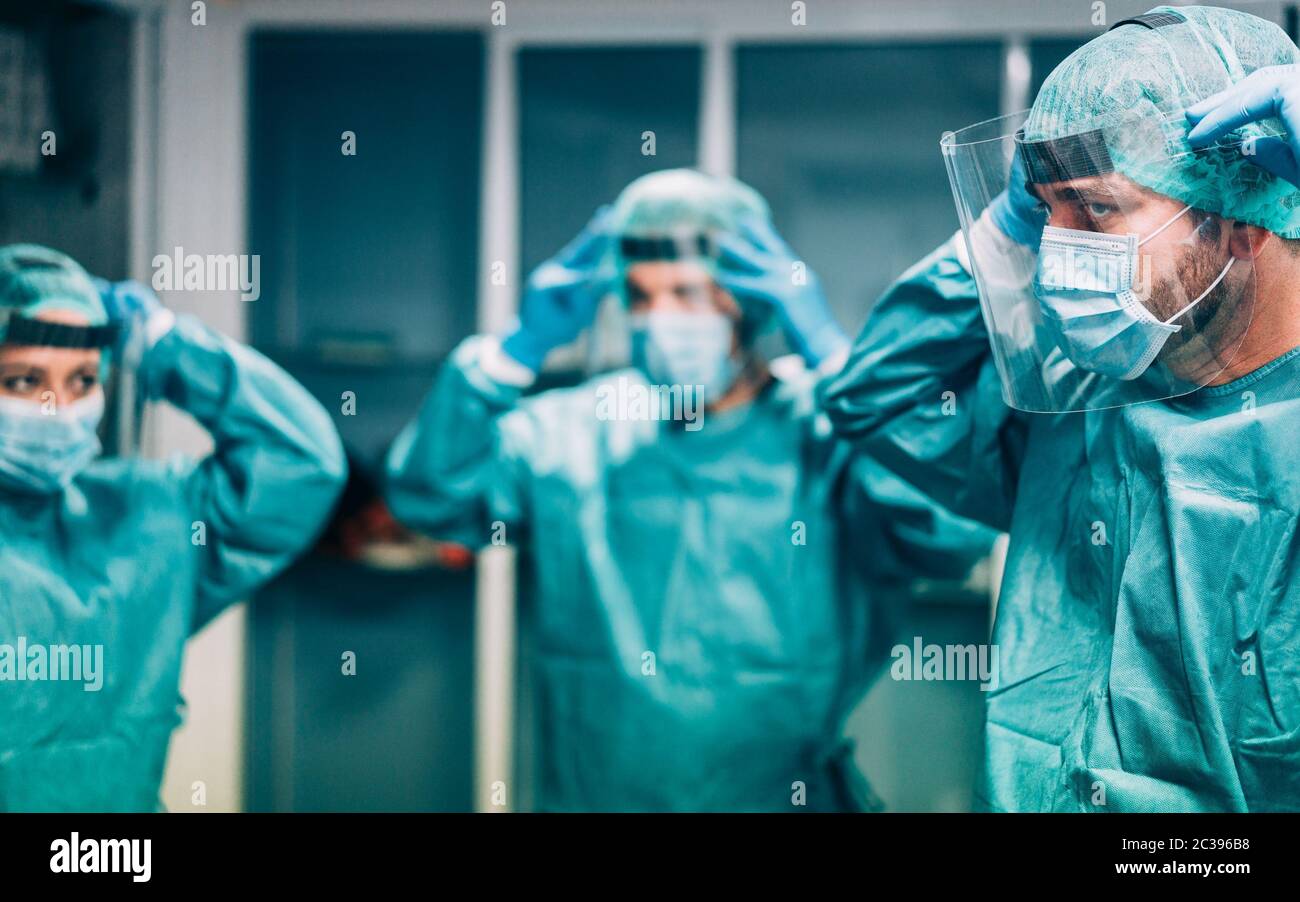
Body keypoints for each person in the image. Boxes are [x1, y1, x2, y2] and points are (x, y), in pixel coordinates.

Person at [385, 168, 993, 812]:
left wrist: (843, 369)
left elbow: (951, 534)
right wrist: (514, 352)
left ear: (753, 300)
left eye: (688, 292)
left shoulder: (827, 431)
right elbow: (432, 496)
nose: (660, 319)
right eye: (640, 297)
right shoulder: (572, 430)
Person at [824, 5, 1300, 812]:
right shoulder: (1080, 411)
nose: (1056, 249)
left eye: (1095, 210)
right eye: (1045, 212)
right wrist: (1001, 229)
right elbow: (880, 395)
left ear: (1240, 218)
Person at [0, 245, 346, 811]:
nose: (55, 408)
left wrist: (166, 345)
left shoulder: (147, 519)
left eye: (82, 379)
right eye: (22, 381)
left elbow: (302, 464)